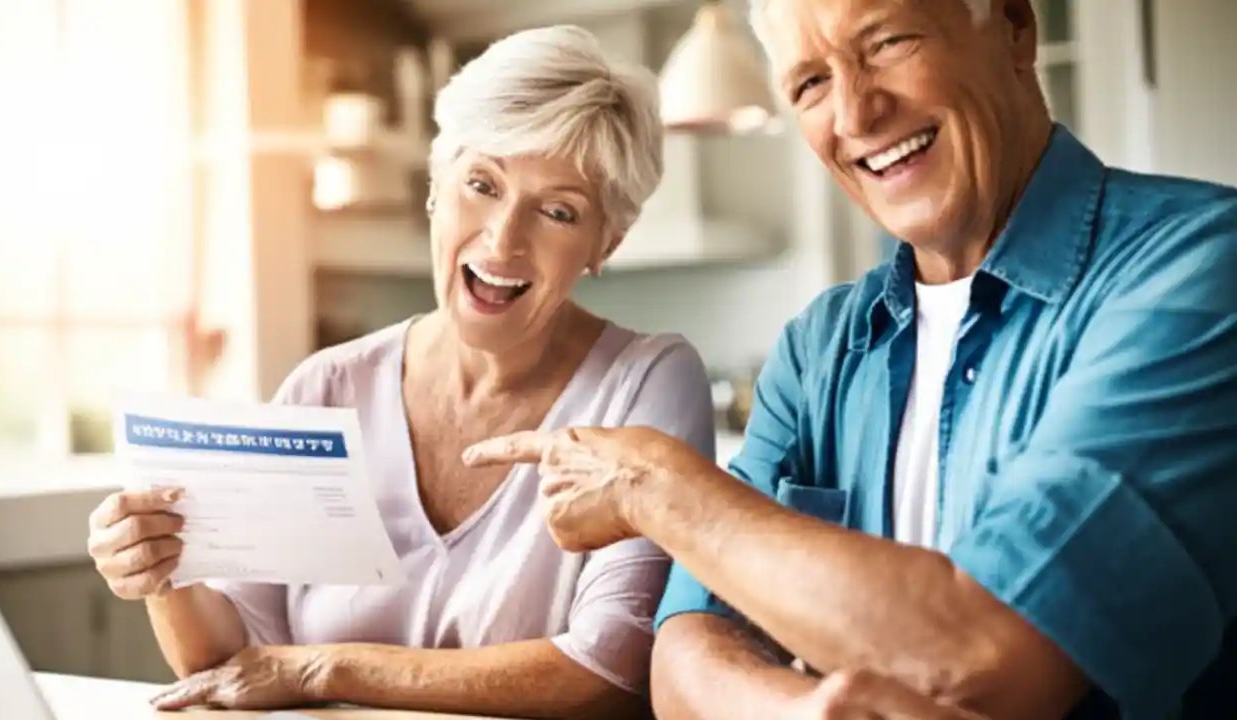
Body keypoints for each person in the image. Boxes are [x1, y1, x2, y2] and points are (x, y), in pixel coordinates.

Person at [465, 0, 1237, 718]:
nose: (857, 112)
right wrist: (799, 713)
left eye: (888, 43)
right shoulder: (821, 347)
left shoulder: (1197, 266)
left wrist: (653, 488)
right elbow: (683, 656)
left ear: (1013, 27)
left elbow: (990, 654)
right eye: (809, 83)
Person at [85, 26, 714, 718]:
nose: (504, 238)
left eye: (558, 211)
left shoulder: (647, 382)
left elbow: (610, 665)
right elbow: (227, 671)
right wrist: (161, 572)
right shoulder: (326, 389)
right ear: (435, 189)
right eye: (482, 184)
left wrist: (326, 669)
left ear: (605, 243)